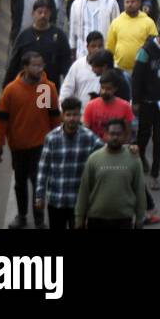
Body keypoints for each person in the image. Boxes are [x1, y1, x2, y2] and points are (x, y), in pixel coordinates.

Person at [0, 50, 62, 230]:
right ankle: (22, 215)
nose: (39, 69)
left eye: (41, 65)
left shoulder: (45, 88)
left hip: (41, 145)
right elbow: (2, 119)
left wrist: (57, 142)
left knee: (38, 183)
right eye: (35, 65)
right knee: (20, 183)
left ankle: (39, 219)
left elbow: (53, 117)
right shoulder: (11, 91)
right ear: (25, 67)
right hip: (18, 146)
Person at [34, 98, 100, 231]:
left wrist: (129, 149)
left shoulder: (89, 137)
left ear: (79, 115)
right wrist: (39, 196)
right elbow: (43, 168)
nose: (72, 118)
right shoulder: (52, 138)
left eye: (75, 115)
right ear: (62, 116)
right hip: (56, 200)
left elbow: (107, 153)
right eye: (68, 115)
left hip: (80, 202)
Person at [75, 117, 147, 230]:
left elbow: (140, 191)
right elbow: (84, 191)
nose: (115, 137)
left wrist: (140, 219)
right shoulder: (94, 159)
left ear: (124, 136)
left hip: (123, 220)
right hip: (96, 220)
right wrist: (79, 219)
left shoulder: (134, 159)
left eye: (119, 134)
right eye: (112, 133)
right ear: (105, 135)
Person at [131, 22, 160, 188]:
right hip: (146, 102)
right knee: (142, 136)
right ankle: (141, 157)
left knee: (159, 138)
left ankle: (155, 174)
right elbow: (136, 77)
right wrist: (135, 101)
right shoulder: (145, 51)